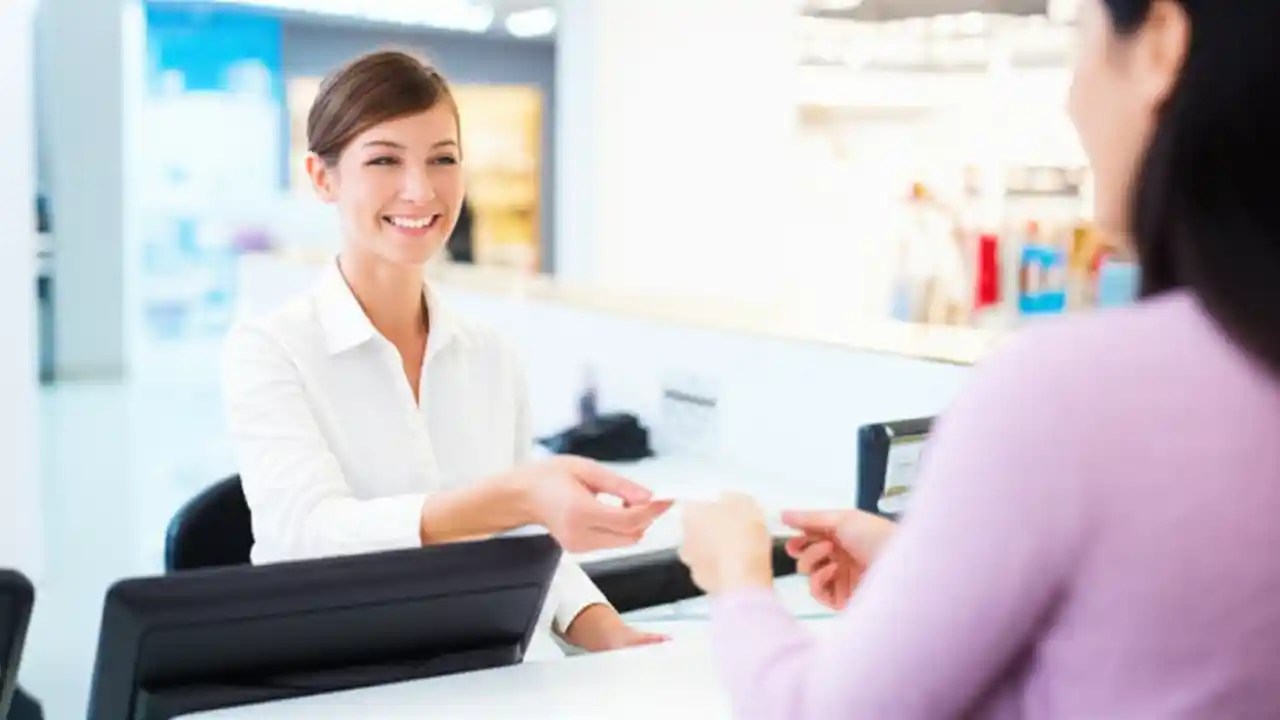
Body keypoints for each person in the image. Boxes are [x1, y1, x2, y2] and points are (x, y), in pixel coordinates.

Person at [680, 0, 1280, 716]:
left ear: (1158, 47)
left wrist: (737, 580)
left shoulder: (1067, 393)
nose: (1071, 99)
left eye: (1081, 39)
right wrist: (929, 571)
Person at [222, 50, 671, 656]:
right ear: (322, 177)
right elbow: (308, 536)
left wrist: (612, 636)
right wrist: (513, 498)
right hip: (331, 672)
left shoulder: (490, 355)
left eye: (443, 159)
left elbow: (524, 544)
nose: (420, 189)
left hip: (476, 667)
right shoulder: (270, 350)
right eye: (385, 160)